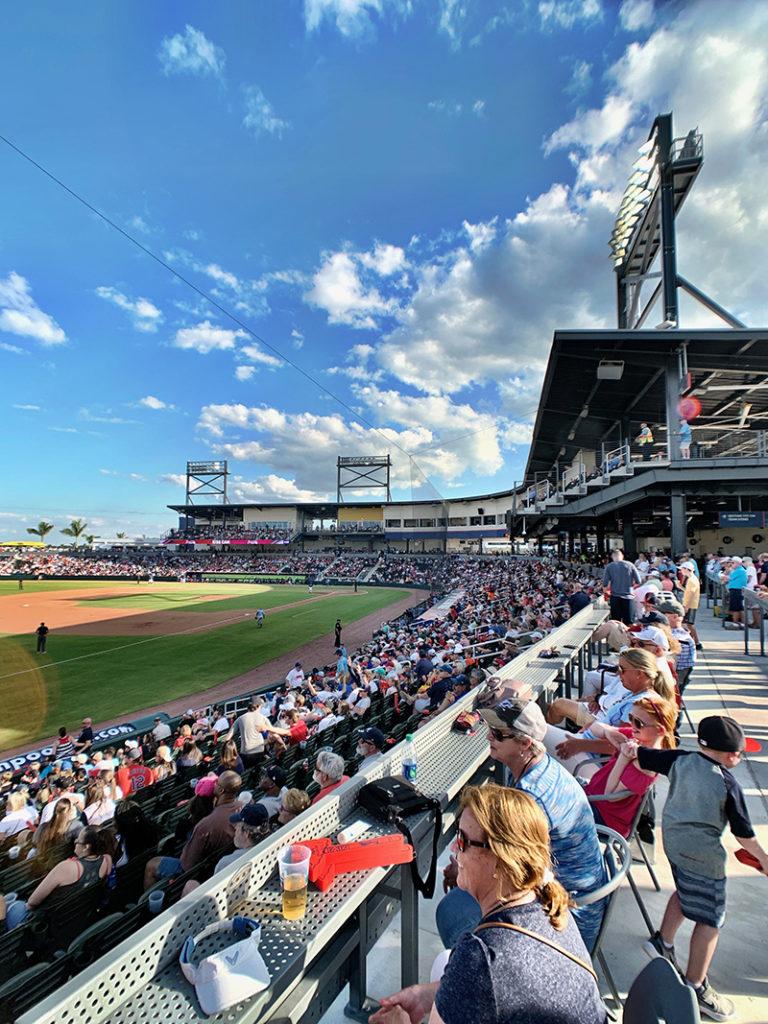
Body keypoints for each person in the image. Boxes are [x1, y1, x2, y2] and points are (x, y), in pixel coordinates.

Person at [372, 785, 606, 1024]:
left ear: (500, 858)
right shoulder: (548, 901)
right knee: (445, 961)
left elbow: (487, 977)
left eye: (462, 840)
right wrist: (425, 995)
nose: (453, 848)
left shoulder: (481, 957)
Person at [438, 698, 606, 953]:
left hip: (568, 917)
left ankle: (477, 977)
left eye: (498, 734)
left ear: (525, 744)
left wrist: (463, 869)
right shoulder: (546, 768)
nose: (488, 737)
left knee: (451, 912)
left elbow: (513, 874)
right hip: (575, 893)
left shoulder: (532, 797)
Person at [639, 716, 768, 1021]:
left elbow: (642, 756)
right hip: (704, 857)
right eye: (739, 753)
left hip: (673, 845)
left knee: (684, 892)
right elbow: (743, 834)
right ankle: (696, 986)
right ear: (730, 755)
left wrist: (630, 746)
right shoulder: (727, 783)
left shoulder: (679, 759)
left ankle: (663, 941)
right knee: (711, 920)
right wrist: (764, 858)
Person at [583, 696, 677, 837]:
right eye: (630, 717)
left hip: (604, 817)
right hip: (593, 798)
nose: (632, 724)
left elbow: (610, 795)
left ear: (660, 730)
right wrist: (608, 733)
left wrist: (623, 757)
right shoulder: (638, 737)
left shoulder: (646, 763)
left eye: (638, 722)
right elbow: (594, 727)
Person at [143, 771, 243, 888]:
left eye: (216, 783)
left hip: (202, 873)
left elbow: (187, 865)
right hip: (224, 862)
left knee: (151, 865)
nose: (214, 784)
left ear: (221, 791)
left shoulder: (206, 824)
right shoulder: (243, 806)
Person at [6, 825, 113, 929]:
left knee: (13, 907)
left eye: (78, 840)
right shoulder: (107, 860)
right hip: (78, 915)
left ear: (86, 847)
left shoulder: (67, 867)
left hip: (50, 922)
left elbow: (32, 902)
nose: (75, 841)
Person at [602, 549, 641, 625]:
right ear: (622, 556)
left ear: (612, 557)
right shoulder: (630, 565)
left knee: (616, 623)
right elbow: (639, 581)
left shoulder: (609, 566)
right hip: (629, 597)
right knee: (629, 623)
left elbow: (605, 583)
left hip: (615, 597)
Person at [678, 564, 702, 649]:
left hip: (690, 604)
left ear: (686, 569)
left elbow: (690, 594)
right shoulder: (692, 579)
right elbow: (689, 592)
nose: (681, 571)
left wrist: (686, 606)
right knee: (688, 624)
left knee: (689, 624)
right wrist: (681, 587)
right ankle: (693, 641)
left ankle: (696, 642)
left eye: (682, 569)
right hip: (691, 603)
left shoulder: (691, 580)